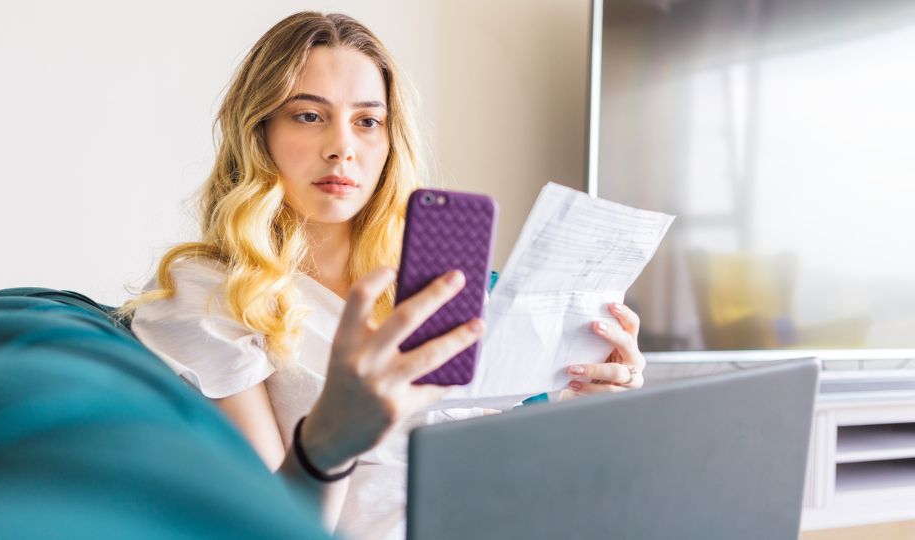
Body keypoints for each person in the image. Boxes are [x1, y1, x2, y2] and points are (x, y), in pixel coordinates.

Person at [122, 11, 646, 540]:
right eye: (308, 116)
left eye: (367, 121)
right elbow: (272, 527)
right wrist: (332, 435)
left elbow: (519, 472)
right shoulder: (208, 292)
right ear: (259, 132)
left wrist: (580, 409)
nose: (342, 147)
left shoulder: (434, 286)